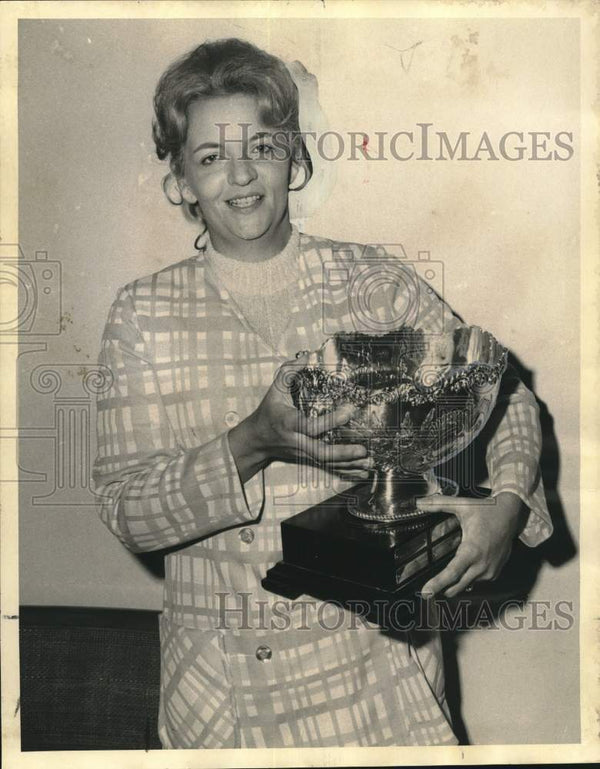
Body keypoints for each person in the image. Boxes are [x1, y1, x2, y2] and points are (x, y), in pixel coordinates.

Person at [92, 37, 553, 749]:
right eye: (211, 158)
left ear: (294, 158)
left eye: (263, 148)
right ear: (180, 179)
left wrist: (509, 502)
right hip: (230, 706)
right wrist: (252, 441)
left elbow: (501, 393)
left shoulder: (371, 281)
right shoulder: (141, 315)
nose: (241, 176)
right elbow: (128, 510)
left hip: (382, 682)